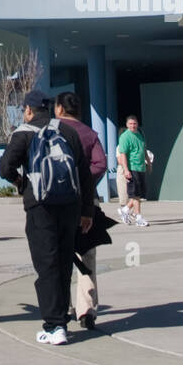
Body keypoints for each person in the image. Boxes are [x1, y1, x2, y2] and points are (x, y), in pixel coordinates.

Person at [0, 90, 94, 346]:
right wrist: (87, 211)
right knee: (63, 262)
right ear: (50, 109)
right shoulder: (68, 132)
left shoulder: (24, 133)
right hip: (70, 205)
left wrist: (20, 182)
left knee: (46, 264)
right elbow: (83, 173)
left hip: (40, 206)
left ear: (29, 111)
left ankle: (54, 326)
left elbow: (5, 166)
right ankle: (61, 318)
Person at [54, 92, 108, 330]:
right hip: (87, 202)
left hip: (55, 201)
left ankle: (62, 307)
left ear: (58, 109)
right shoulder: (89, 134)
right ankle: (86, 308)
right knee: (87, 255)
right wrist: (84, 179)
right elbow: (101, 164)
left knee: (57, 255)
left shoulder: (51, 130)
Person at [116, 115, 151, 226]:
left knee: (139, 195)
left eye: (134, 123)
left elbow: (143, 150)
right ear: (127, 125)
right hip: (132, 168)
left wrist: (148, 163)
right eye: (130, 124)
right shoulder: (125, 137)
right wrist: (126, 170)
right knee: (135, 195)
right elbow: (123, 154)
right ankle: (138, 218)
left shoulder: (139, 135)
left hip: (141, 167)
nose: (133, 126)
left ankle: (125, 210)